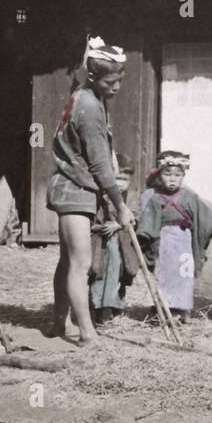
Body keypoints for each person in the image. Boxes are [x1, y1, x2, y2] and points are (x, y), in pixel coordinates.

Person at [49, 37, 135, 344]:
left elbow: (79, 72)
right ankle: (87, 332)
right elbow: (100, 165)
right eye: (110, 82)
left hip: (73, 186)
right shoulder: (89, 108)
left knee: (68, 261)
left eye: (120, 80)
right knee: (81, 263)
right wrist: (120, 205)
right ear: (94, 76)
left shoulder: (85, 92)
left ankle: (60, 323)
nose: (116, 87)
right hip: (74, 188)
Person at [136, 152, 212, 321]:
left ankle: (183, 311)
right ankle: (163, 310)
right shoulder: (155, 198)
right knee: (164, 274)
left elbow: (205, 218)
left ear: (183, 176)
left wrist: (203, 239)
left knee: (184, 276)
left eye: (177, 175)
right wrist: (145, 239)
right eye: (167, 174)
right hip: (163, 241)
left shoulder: (190, 197)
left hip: (184, 241)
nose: (172, 179)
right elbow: (148, 224)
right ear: (159, 175)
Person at [89, 154, 139, 326]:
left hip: (121, 244)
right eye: (116, 179)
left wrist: (118, 224)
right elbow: (91, 221)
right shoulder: (99, 197)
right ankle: (98, 309)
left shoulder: (131, 197)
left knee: (119, 274)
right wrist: (100, 227)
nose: (120, 184)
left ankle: (115, 308)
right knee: (99, 274)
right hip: (101, 244)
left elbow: (135, 216)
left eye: (125, 179)